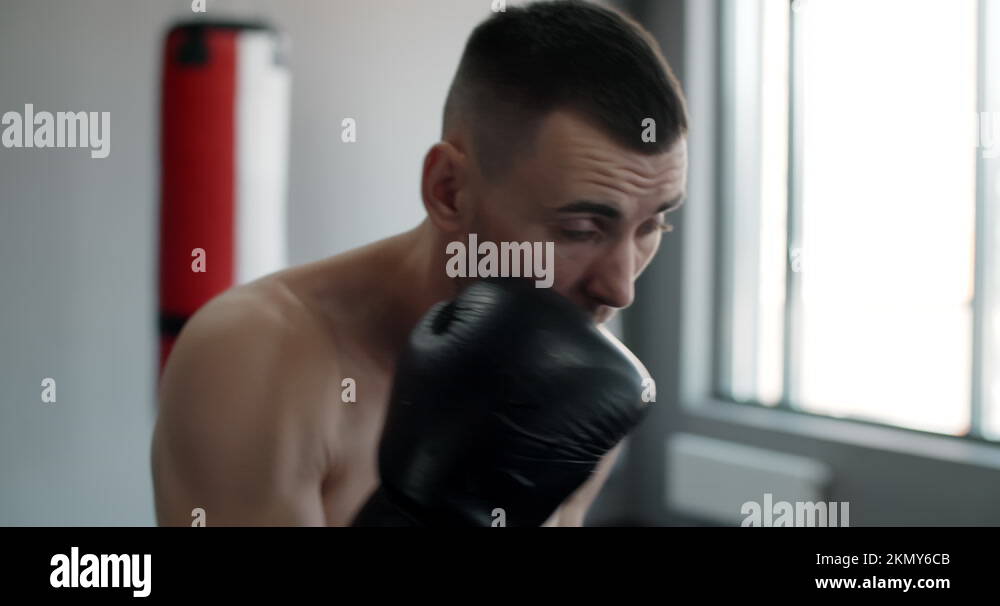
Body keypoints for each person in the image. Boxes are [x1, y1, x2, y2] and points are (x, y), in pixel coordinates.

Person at [152, 0, 688, 527]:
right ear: (449, 191)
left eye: (651, 227)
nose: (620, 289)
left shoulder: (580, 390)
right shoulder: (255, 357)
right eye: (579, 230)